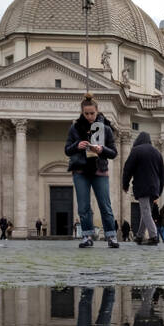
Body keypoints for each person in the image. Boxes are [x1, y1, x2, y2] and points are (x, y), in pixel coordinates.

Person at [64, 93, 120, 248]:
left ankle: (111, 236)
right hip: (80, 170)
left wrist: (101, 149)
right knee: (83, 206)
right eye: (86, 114)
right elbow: (67, 150)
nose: (89, 116)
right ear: (82, 112)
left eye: (92, 113)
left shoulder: (106, 129)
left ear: (97, 111)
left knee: (105, 205)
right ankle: (87, 236)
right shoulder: (74, 128)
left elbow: (114, 153)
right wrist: (77, 146)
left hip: (99, 170)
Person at [121, 129, 164, 245]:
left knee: (145, 211)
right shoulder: (157, 152)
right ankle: (139, 236)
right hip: (154, 187)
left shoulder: (136, 151)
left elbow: (127, 169)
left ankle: (154, 235)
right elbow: (162, 175)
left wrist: (125, 184)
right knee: (146, 211)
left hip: (142, 186)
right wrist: (159, 191)